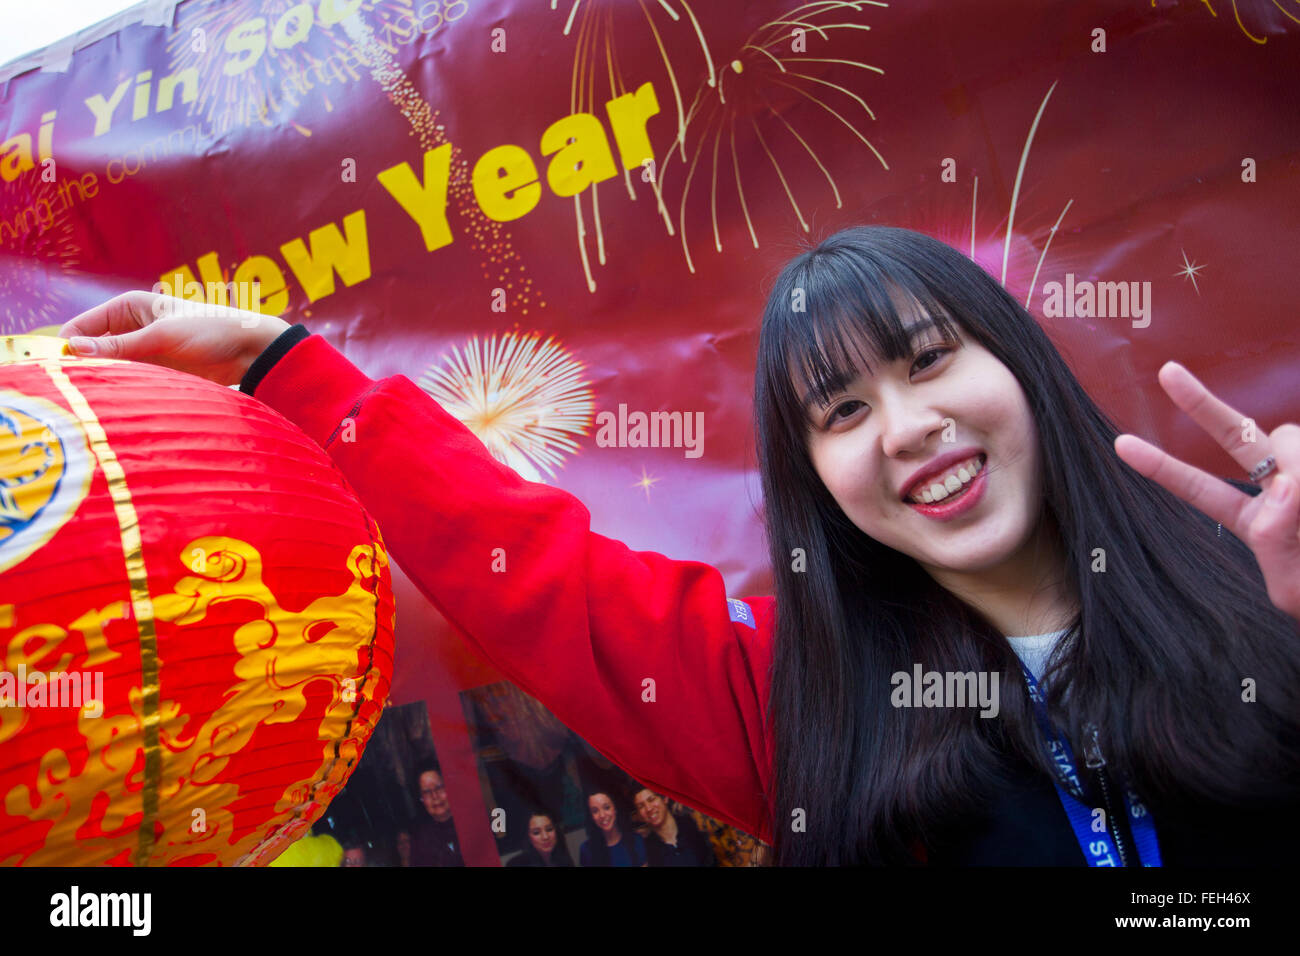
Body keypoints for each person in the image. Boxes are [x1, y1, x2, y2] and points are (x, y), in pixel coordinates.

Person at [59, 225, 1300, 866]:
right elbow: (527, 566)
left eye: (929, 361)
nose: (908, 428)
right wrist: (276, 362)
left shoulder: (1262, 598)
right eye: (842, 411)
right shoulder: (790, 705)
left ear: (1017, 364)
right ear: (813, 477)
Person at [632, 786, 717, 867]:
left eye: (651, 799)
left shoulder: (696, 825)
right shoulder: (649, 852)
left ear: (665, 798)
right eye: (641, 806)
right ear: (639, 815)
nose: (648, 808)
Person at [408, 764, 464, 867]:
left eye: (439, 787)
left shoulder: (472, 820)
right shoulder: (420, 841)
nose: (435, 796)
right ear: (421, 799)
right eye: (427, 792)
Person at [578, 791, 647, 867]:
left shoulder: (636, 840)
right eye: (595, 811)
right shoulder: (586, 850)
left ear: (615, 809)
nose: (602, 815)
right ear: (591, 816)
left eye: (606, 807)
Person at [505, 809, 574, 867]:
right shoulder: (516, 864)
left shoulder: (563, 859)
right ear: (528, 837)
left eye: (549, 829)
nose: (545, 837)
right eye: (536, 832)